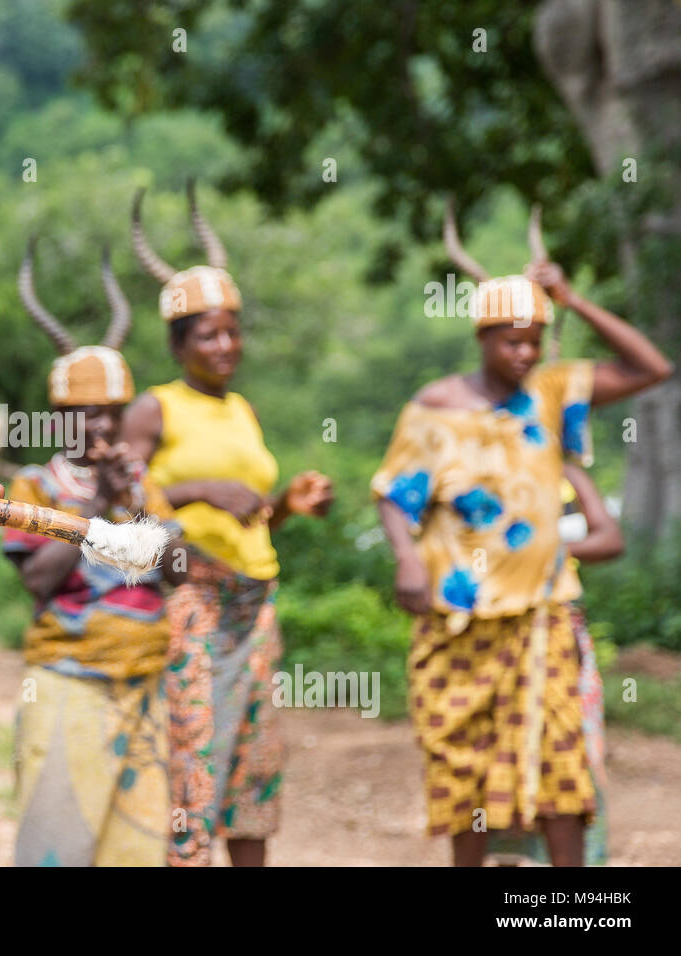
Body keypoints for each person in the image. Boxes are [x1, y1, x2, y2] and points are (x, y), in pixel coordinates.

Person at [372, 203, 672, 867]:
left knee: (561, 772)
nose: (525, 353)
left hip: (542, 618)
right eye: (512, 340)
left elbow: (652, 367)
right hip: (460, 625)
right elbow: (396, 495)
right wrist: (406, 561)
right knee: (462, 775)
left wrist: (572, 299)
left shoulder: (553, 391)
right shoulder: (435, 409)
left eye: (535, 339)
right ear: (481, 337)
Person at [121, 182, 334, 867]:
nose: (225, 345)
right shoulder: (154, 409)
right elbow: (127, 512)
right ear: (179, 342)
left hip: (255, 601)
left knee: (254, 754)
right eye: (208, 334)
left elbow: (252, 509)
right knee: (195, 749)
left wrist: (288, 505)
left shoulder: (242, 409)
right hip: (194, 601)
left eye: (233, 331)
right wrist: (196, 489)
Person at [4, 239, 184, 866]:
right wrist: (92, 512)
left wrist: (133, 504)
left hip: (143, 677)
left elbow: (176, 573)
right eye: (85, 415)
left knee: (133, 847)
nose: (101, 428)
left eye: (110, 414)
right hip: (69, 681)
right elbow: (38, 584)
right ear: (60, 418)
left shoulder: (140, 484)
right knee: (58, 843)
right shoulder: (36, 487)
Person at [486, 464, 620, 865]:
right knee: (497, 747)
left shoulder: (566, 473)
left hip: (557, 624)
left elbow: (610, 540)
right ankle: (508, 854)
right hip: (490, 627)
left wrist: (545, 550)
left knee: (568, 746)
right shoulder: (477, 467)